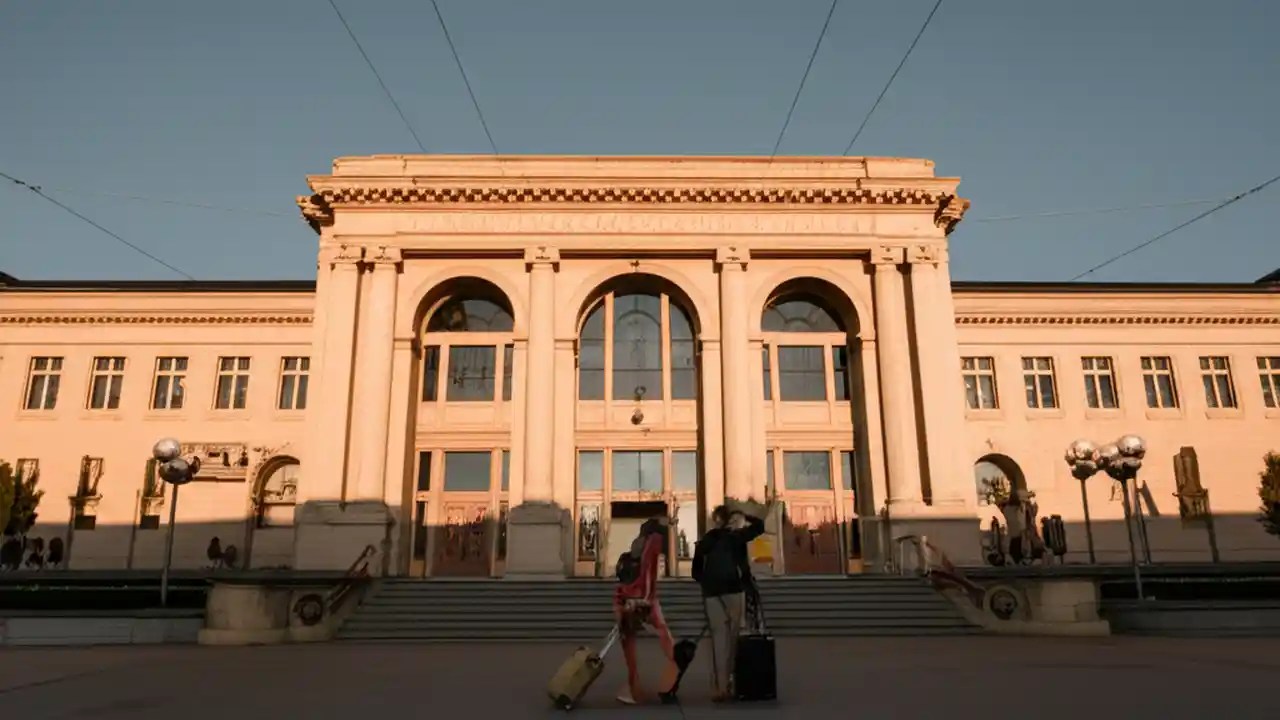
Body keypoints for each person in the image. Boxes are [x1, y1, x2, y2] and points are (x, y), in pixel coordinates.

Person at [691, 504, 765, 703]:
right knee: (734, 636)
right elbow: (760, 526)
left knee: (717, 638)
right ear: (728, 519)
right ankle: (732, 680)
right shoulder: (735, 536)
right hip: (733, 588)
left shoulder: (707, 539)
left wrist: (706, 581)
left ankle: (719, 687)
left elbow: (695, 572)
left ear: (715, 519)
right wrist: (745, 515)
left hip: (711, 592)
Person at [613, 516, 677, 705]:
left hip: (639, 600)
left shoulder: (648, 552)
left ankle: (669, 672)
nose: (637, 545)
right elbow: (629, 583)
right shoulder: (641, 553)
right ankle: (634, 685)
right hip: (632, 600)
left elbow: (645, 581)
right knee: (630, 640)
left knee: (661, 633)